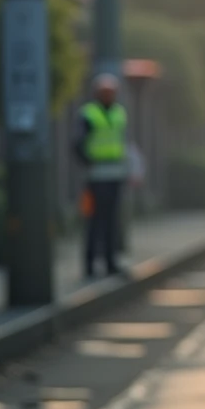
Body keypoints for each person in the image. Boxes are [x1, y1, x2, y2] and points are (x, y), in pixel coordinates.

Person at [76, 72, 130, 278]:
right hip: (95, 178)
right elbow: (77, 144)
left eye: (111, 92)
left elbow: (122, 142)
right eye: (104, 92)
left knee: (112, 222)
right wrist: (88, 163)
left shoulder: (119, 113)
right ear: (97, 93)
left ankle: (110, 263)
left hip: (115, 175)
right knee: (94, 222)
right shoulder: (88, 114)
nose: (108, 95)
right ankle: (89, 265)